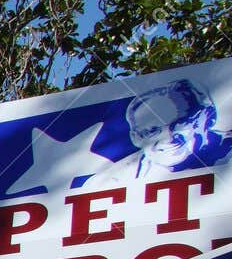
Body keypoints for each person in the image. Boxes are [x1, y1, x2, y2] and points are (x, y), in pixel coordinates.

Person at [94, 78, 232, 185]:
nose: (168, 138)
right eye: (152, 131)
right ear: (136, 137)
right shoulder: (115, 179)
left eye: (178, 123)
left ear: (208, 118)